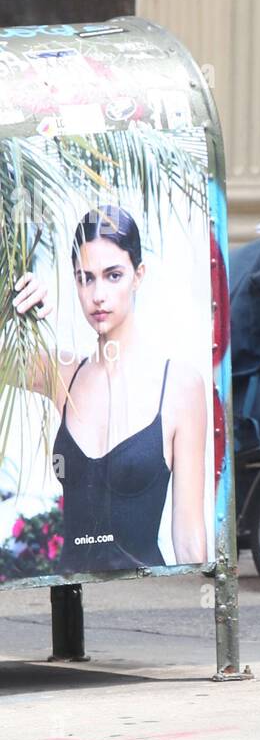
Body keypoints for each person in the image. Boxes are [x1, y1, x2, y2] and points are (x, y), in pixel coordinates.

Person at [12, 205, 207, 573]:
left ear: (138, 275)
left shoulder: (180, 385)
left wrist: (201, 607)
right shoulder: (61, 374)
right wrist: (12, 304)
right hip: (69, 602)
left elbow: (188, 534)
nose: (98, 294)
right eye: (86, 278)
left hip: (144, 608)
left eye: (113, 275)